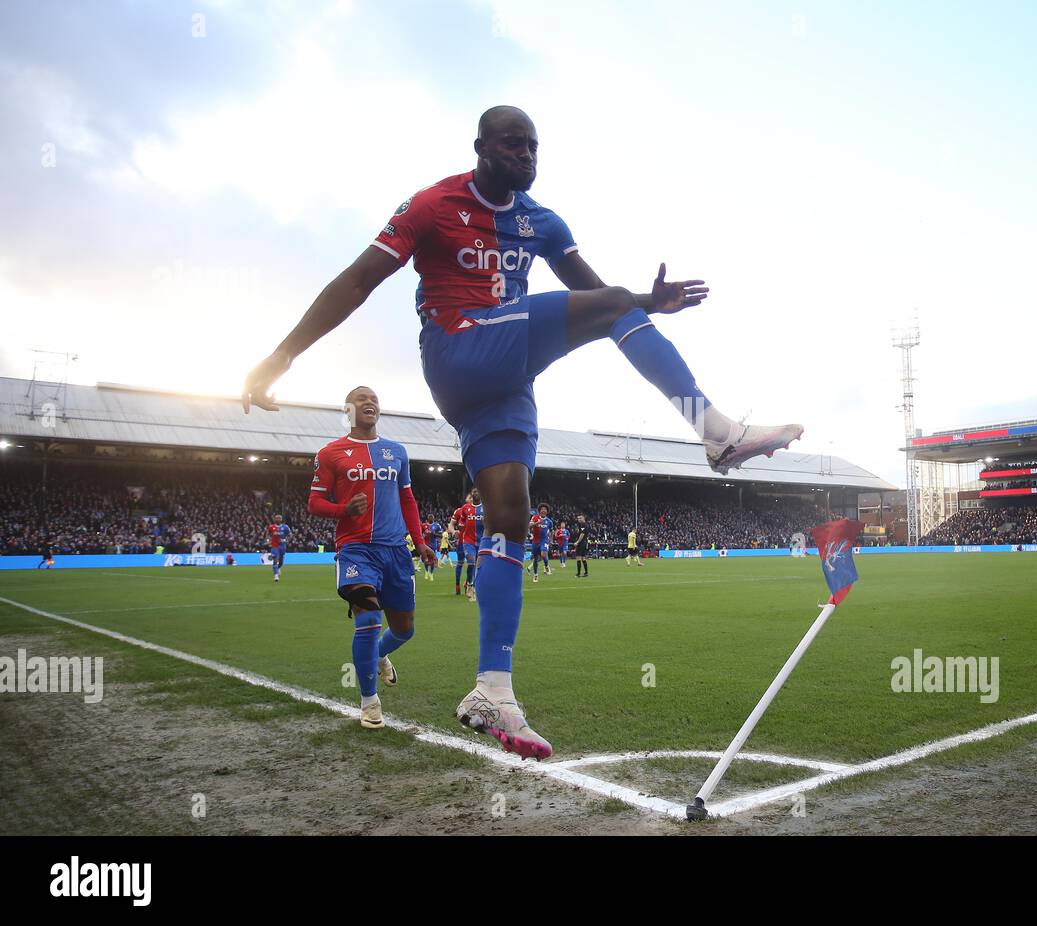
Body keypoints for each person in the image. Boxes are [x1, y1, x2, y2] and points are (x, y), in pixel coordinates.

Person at [242, 105, 802, 760]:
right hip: (459, 350)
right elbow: (360, 279)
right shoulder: (431, 205)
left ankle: (493, 691)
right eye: (513, 144)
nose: (527, 155)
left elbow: (598, 295)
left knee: (510, 517)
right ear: (480, 148)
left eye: (534, 146)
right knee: (611, 312)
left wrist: (651, 303)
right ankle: (715, 430)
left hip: (505, 385)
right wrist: (280, 357)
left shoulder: (542, 221)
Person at [307, 386, 436, 729]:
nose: (370, 403)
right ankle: (369, 702)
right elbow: (314, 503)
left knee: (404, 630)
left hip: (396, 552)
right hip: (356, 550)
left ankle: (380, 653)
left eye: (374, 399)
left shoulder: (396, 452)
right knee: (366, 621)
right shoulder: (331, 453)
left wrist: (420, 542)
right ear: (348, 410)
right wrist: (343, 509)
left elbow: (408, 500)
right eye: (362, 399)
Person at [451, 490, 482, 601]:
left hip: (482, 541)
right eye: (474, 491)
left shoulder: (486, 508)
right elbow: (461, 522)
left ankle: (473, 586)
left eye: (478, 491)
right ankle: (469, 585)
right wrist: (456, 531)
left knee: (480, 566)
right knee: (471, 561)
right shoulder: (465, 508)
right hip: (468, 541)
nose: (476, 493)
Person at [529, 502, 553, 582]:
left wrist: (551, 540)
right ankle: (535, 575)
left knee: (543, 554)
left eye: (545, 509)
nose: (543, 510)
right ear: (539, 510)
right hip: (535, 541)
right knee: (535, 559)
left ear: (547, 511)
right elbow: (529, 526)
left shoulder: (549, 521)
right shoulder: (534, 517)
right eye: (542, 509)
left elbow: (552, 531)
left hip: (544, 540)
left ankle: (546, 566)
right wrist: (537, 523)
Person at [267, 514, 292, 582]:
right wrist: (268, 541)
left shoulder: (285, 527)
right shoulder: (271, 527)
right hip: (275, 546)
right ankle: (276, 575)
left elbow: (290, 535)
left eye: (279, 518)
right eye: (277, 518)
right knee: (275, 559)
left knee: (281, 562)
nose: (278, 519)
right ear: (274, 519)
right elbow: (268, 535)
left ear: (281, 519)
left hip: (283, 546)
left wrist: (286, 540)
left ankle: (278, 568)